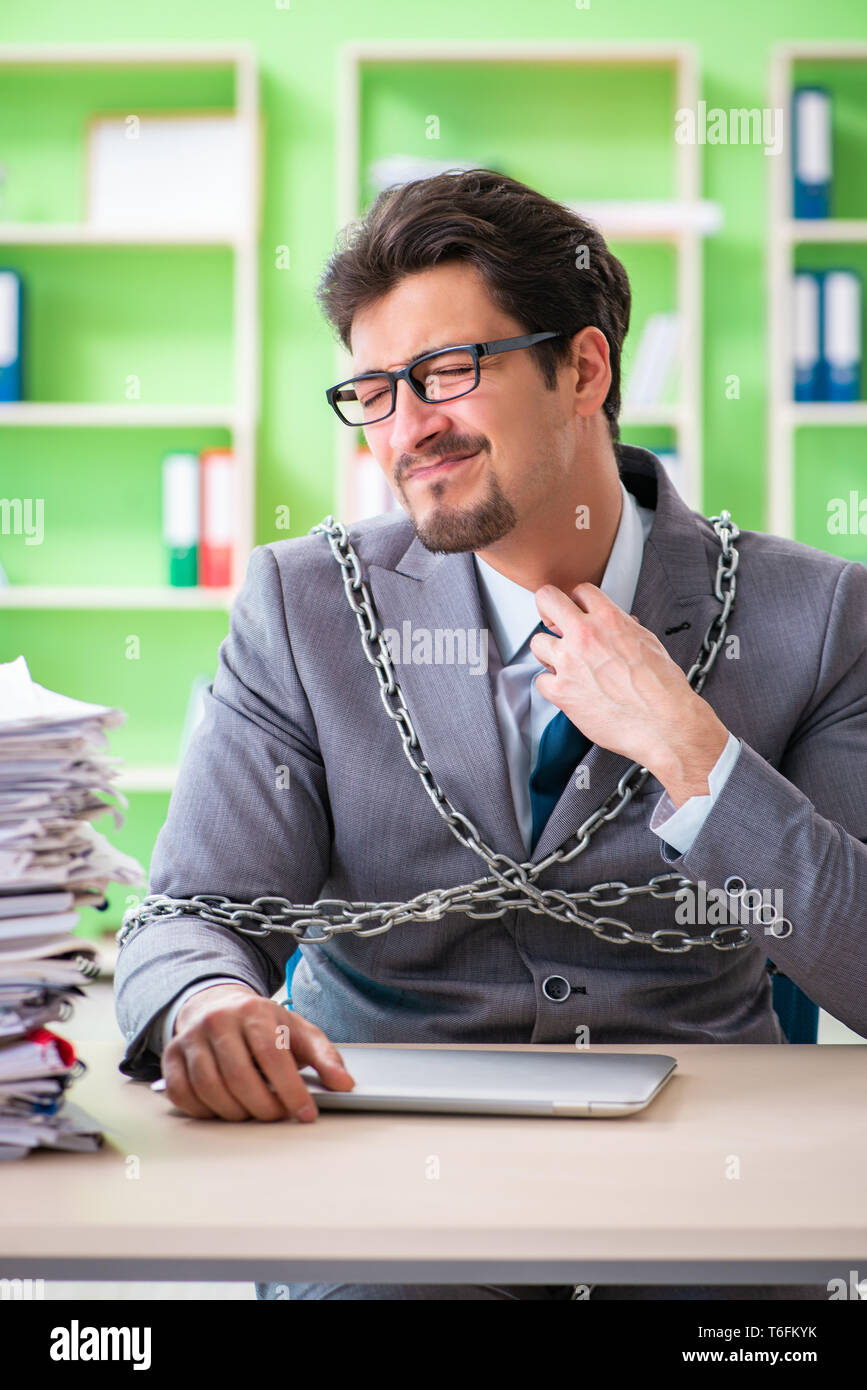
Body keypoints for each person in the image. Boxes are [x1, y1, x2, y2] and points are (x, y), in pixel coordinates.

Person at [115, 169, 867, 1301]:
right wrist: (211, 1004)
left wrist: (694, 753)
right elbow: (189, 915)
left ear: (584, 368)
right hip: (382, 1200)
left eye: (447, 372)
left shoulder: (809, 618)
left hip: (705, 1197)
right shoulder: (303, 608)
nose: (410, 426)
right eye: (375, 390)